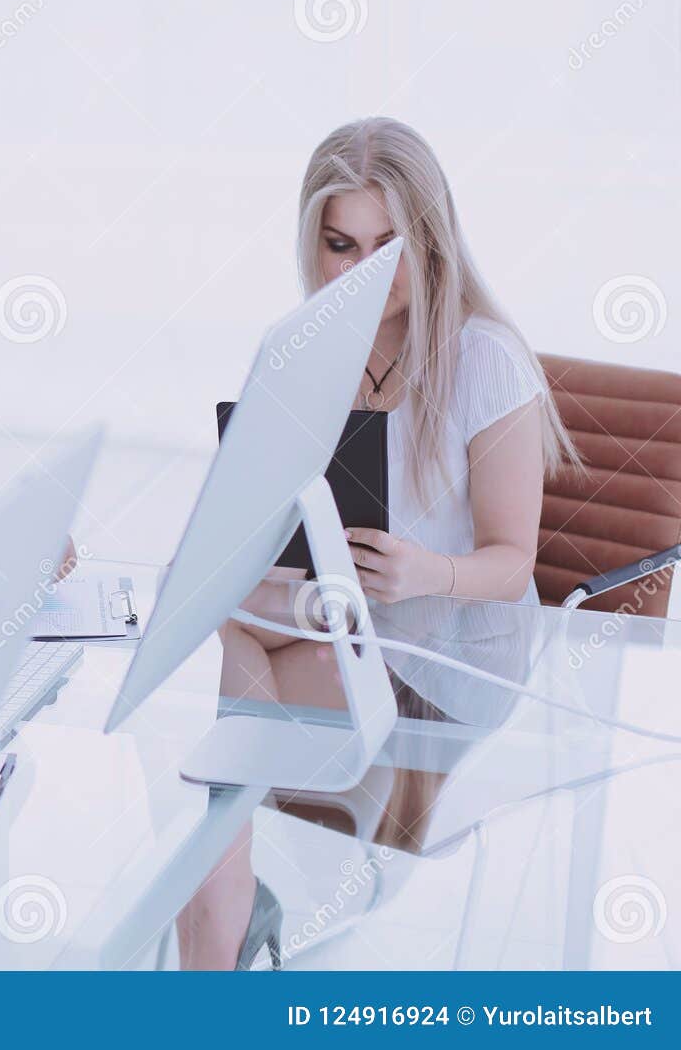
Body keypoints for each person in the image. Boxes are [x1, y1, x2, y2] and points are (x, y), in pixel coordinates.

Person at [178, 116, 581, 970]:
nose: (364, 271)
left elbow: (513, 562)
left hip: (458, 637)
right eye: (340, 244)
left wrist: (425, 569)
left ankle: (224, 895)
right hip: (347, 607)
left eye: (389, 244)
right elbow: (266, 515)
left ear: (432, 243)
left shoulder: (484, 360)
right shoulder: (299, 349)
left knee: (242, 658)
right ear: (312, 242)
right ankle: (238, 881)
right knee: (221, 600)